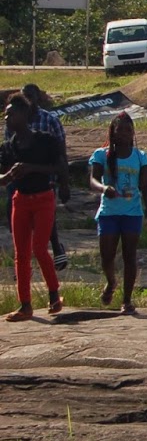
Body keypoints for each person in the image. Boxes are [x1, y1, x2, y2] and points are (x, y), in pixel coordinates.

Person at [1, 96, 65, 320]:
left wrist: (30, 168)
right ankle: (25, 305)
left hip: (44, 199)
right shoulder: (8, 147)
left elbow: (59, 167)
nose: (6, 118)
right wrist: (10, 175)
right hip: (20, 200)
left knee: (39, 248)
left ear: (24, 114)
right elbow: (2, 178)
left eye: (11, 114)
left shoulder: (44, 140)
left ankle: (54, 294)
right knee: (21, 253)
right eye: (5, 115)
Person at [88, 112, 147, 314]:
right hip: (109, 212)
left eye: (128, 130)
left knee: (129, 255)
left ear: (133, 133)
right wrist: (103, 188)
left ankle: (127, 300)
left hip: (132, 213)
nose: (124, 133)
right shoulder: (101, 155)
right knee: (107, 256)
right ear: (113, 133)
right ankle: (111, 281)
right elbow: (93, 180)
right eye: (120, 130)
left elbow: (146, 185)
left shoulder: (141, 157)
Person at [20, 84, 69, 272]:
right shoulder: (16, 120)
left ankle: (55, 246)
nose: (27, 101)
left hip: (46, 177)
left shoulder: (50, 120)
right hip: (21, 179)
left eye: (30, 96)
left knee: (47, 216)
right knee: (21, 220)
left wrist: (64, 183)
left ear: (38, 98)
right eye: (24, 97)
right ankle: (23, 262)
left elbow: (61, 154)